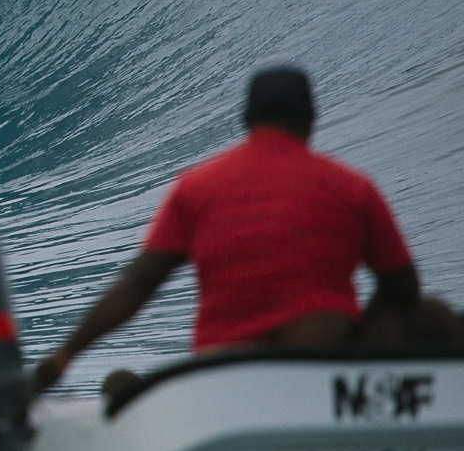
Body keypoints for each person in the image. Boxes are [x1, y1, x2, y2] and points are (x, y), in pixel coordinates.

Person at [34, 66, 462, 393]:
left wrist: (65, 354)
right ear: (311, 119)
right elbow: (404, 290)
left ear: (245, 118)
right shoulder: (352, 187)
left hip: (226, 369)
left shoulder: (195, 187)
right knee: (433, 315)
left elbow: (138, 283)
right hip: (322, 357)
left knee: (120, 385)